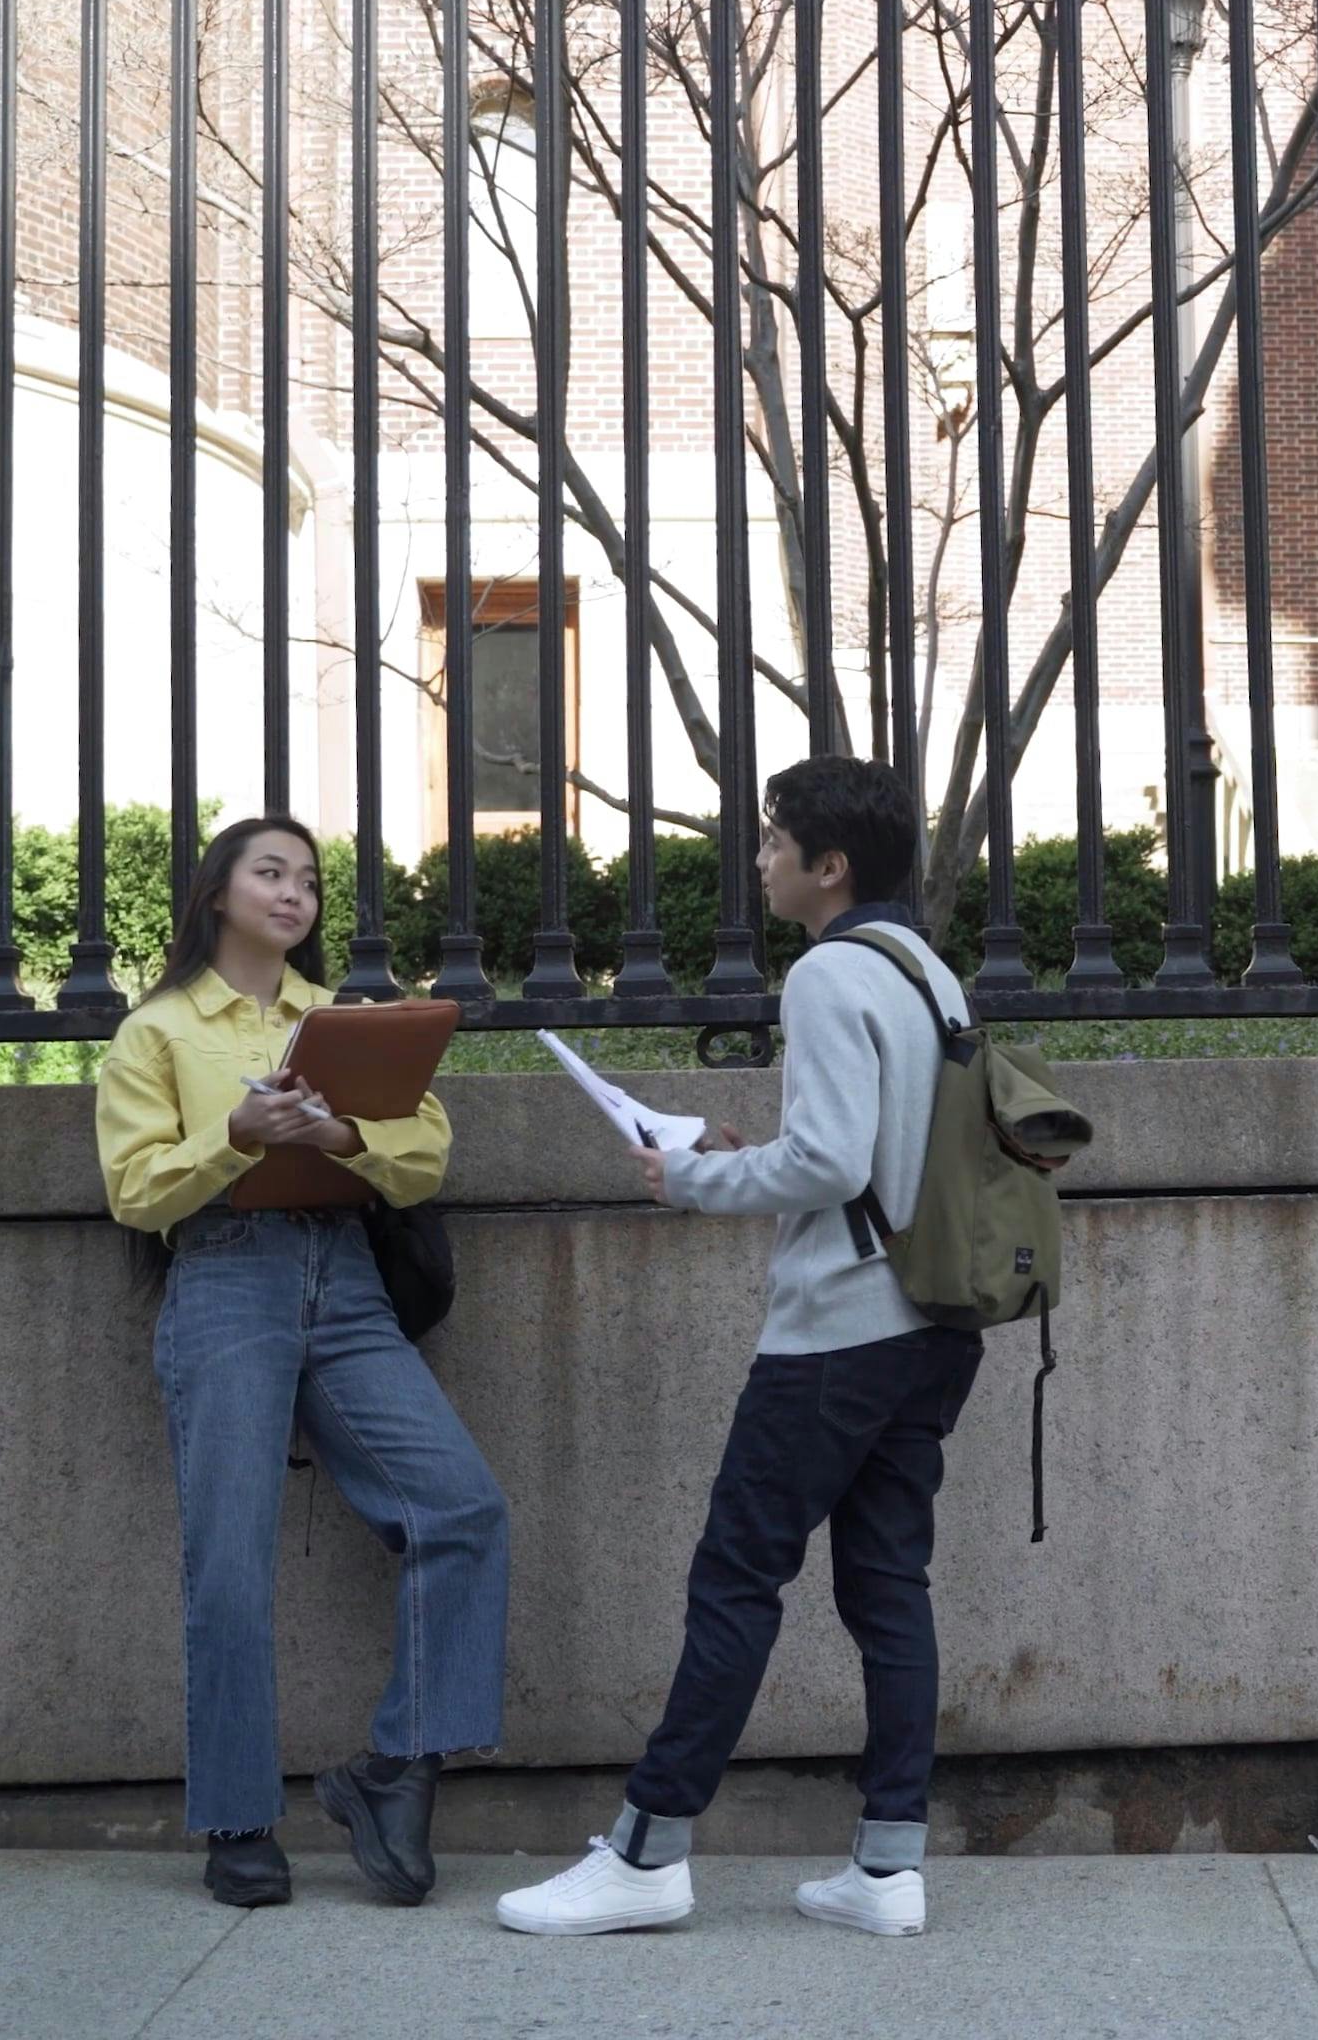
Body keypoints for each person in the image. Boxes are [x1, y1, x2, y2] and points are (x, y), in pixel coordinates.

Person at [497, 756, 986, 1940]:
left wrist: (693, 1176)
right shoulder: (929, 971)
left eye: (775, 843)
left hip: (838, 1332)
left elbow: (830, 1166)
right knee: (886, 1588)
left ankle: (649, 1852)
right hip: (934, 1326)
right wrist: (745, 1144)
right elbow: (883, 1149)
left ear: (830, 867)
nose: (760, 860)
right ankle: (886, 1868)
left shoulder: (827, 971)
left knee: (734, 1579)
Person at [96, 814, 509, 1909]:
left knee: (460, 1509)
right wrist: (236, 1133)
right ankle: (236, 1820)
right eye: (269, 873)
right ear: (218, 892)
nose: (294, 893)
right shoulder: (160, 1031)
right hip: (227, 1275)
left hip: (348, 1279)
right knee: (229, 1559)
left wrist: (336, 1139)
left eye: (309, 880)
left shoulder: (344, 1024)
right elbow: (134, 1190)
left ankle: (397, 1770)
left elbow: (423, 1155)